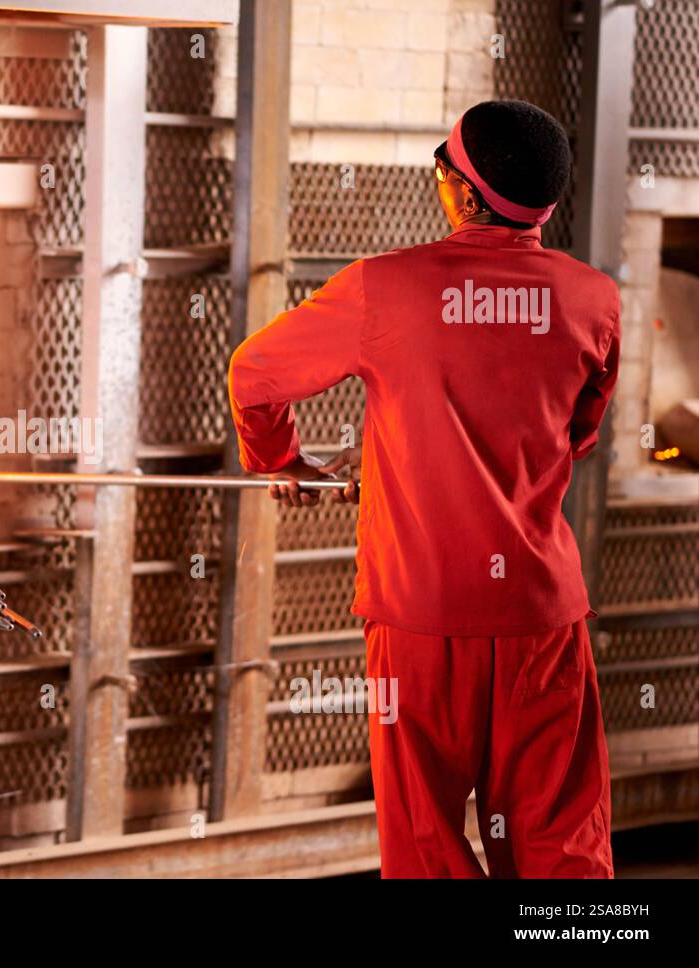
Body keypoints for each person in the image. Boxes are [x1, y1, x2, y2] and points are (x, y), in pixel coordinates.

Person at [227, 99, 619, 878]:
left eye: (443, 166)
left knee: (426, 846)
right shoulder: (593, 299)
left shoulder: (384, 287)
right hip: (541, 618)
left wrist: (281, 462)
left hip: (419, 619)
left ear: (467, 196)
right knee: (560, 844)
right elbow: (576, 437)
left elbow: (254, 373)